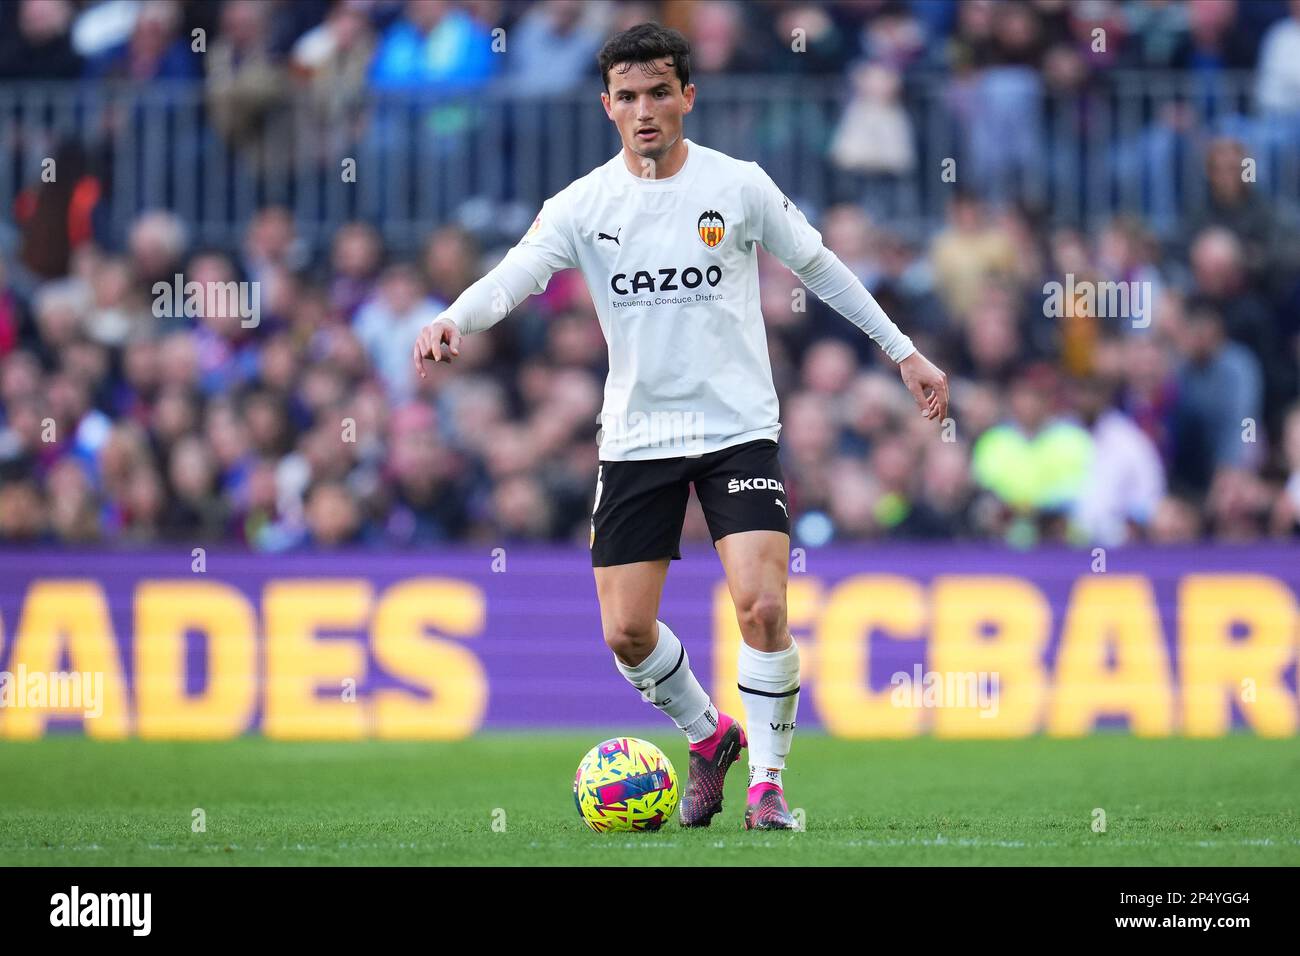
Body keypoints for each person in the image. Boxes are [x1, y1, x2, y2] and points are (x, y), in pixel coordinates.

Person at [413, 23, 948, 831]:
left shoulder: (738, 186)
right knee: (628, 632)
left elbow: (821, 265)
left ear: (687, 97)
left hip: (737, 427)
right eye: (627, 96)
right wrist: (456, 317)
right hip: (637, 436)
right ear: (607, 107)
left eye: (659, 91)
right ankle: (710, 735)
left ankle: (768, 785)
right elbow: (517, 274)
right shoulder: (583, 205)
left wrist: (903, 352)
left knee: (761, 605)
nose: (644, 109)